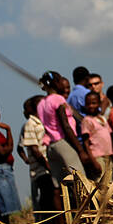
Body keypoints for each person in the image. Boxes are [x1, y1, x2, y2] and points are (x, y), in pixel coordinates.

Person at [38, 71, 91, 210]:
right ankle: (87, 217)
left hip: (51, 146)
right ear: (56, 83)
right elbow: (65, 126)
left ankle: (64, 222)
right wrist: (80, 150)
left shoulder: (41, 103)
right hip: (63, 143)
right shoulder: (58, 100)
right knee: (80, 181)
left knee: (59, 187)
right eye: (60, 80)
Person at [18, 95, 54, 224]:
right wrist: (46, 165)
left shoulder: (44, 121)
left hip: (48, 166)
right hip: (41, 169)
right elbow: (33, 149)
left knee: (50, 197)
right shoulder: (30, 124)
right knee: (44, 200)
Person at [81, 91, 113, 178]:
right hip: (97, 157)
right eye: (88, 104)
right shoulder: (87, 120)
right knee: (100, 184)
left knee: (109, 184)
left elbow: (109, 136)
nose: (91, 106)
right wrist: (93, 161)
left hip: (108, 156)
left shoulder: (102, 119)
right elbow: (85, 143)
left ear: (99, 104)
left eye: (94, 103)